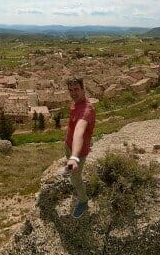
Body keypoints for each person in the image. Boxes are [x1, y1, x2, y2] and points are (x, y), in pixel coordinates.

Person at [64, 76, 96, 218]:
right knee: (70, 164)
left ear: (83, 89)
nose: (73, 93)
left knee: (75, 180)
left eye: (76, 89)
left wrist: (74, 156)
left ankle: (83, 200)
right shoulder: (76, 103)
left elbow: (79, 131)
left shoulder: (86, 110)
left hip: (79, 152)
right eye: (70, 90)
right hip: (68, 145)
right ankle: (69, 167)